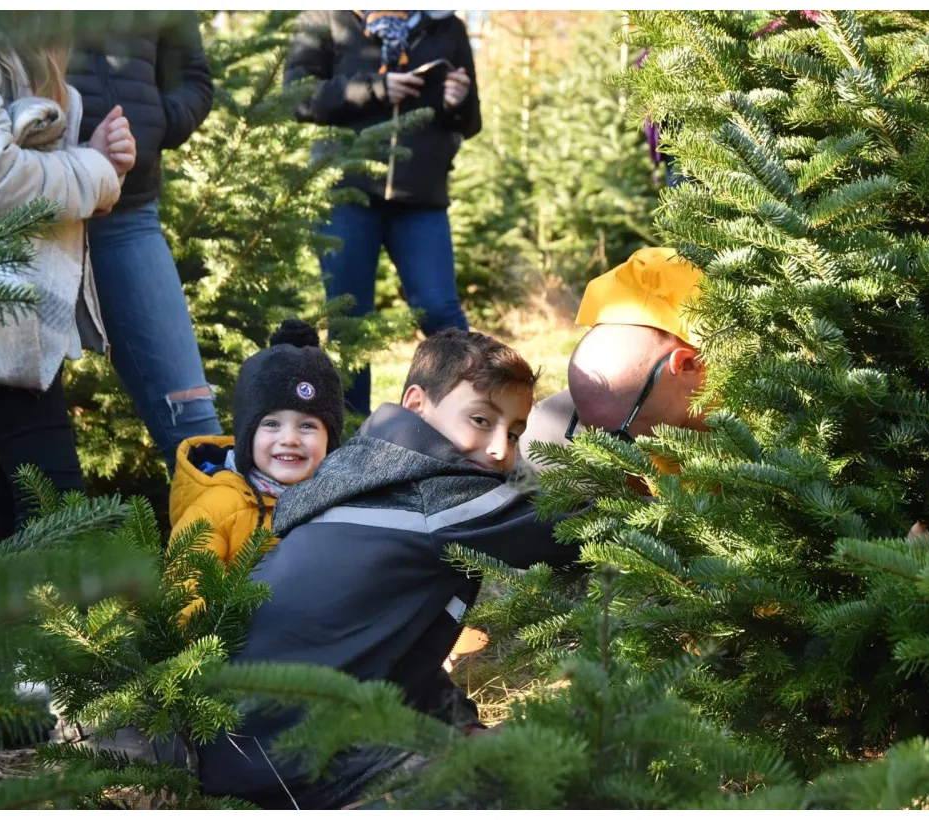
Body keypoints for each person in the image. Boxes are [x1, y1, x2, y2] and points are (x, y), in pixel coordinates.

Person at [197, 329, 581, 809]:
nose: (502, 449)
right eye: (481, 419)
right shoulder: (437, 491)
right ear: (417, 404)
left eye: (516, 433)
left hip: (236, 749)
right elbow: (571, 528)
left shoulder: (361, 469)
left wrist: (462, 723)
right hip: (305, 761)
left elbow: (394, 651)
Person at [0, 10, 136, 540]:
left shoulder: (24, 33)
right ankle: (77, 626)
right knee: (56, 502)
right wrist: (96, 171)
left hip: (13, 297)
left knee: (4, 498)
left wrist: (96, 160)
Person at [286, 10, 481, 416]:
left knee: (441, 312)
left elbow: (471, 119)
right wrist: (375, 88)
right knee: (350, 321)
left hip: (421, 197)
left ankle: (478, 419)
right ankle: (352, 436)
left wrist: (457, 102)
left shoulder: (447, 25)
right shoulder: (326, 15)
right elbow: (298, 97)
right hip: (346, 193)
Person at [67, 11, 222, 472]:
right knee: (22, 424)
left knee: (193, 420)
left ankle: (229, 539)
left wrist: (151, 123)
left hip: (127, 216)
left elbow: (194, 78)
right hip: (26, 210)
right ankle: (0, 543)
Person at [168, 318, 344, 619]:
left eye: (308, 426)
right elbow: (185, 597)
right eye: (272, 424)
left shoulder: (343, 503)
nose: (289, 439)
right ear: (247, 436)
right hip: (240, 655)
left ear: (330, 439)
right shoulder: (218, 507)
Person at [519, 247, 710, 476]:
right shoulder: (624, 311)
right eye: (597, 435)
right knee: (541, 429)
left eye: (622, 437)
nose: (612, 451)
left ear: (686, 365)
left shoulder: (750, 372)